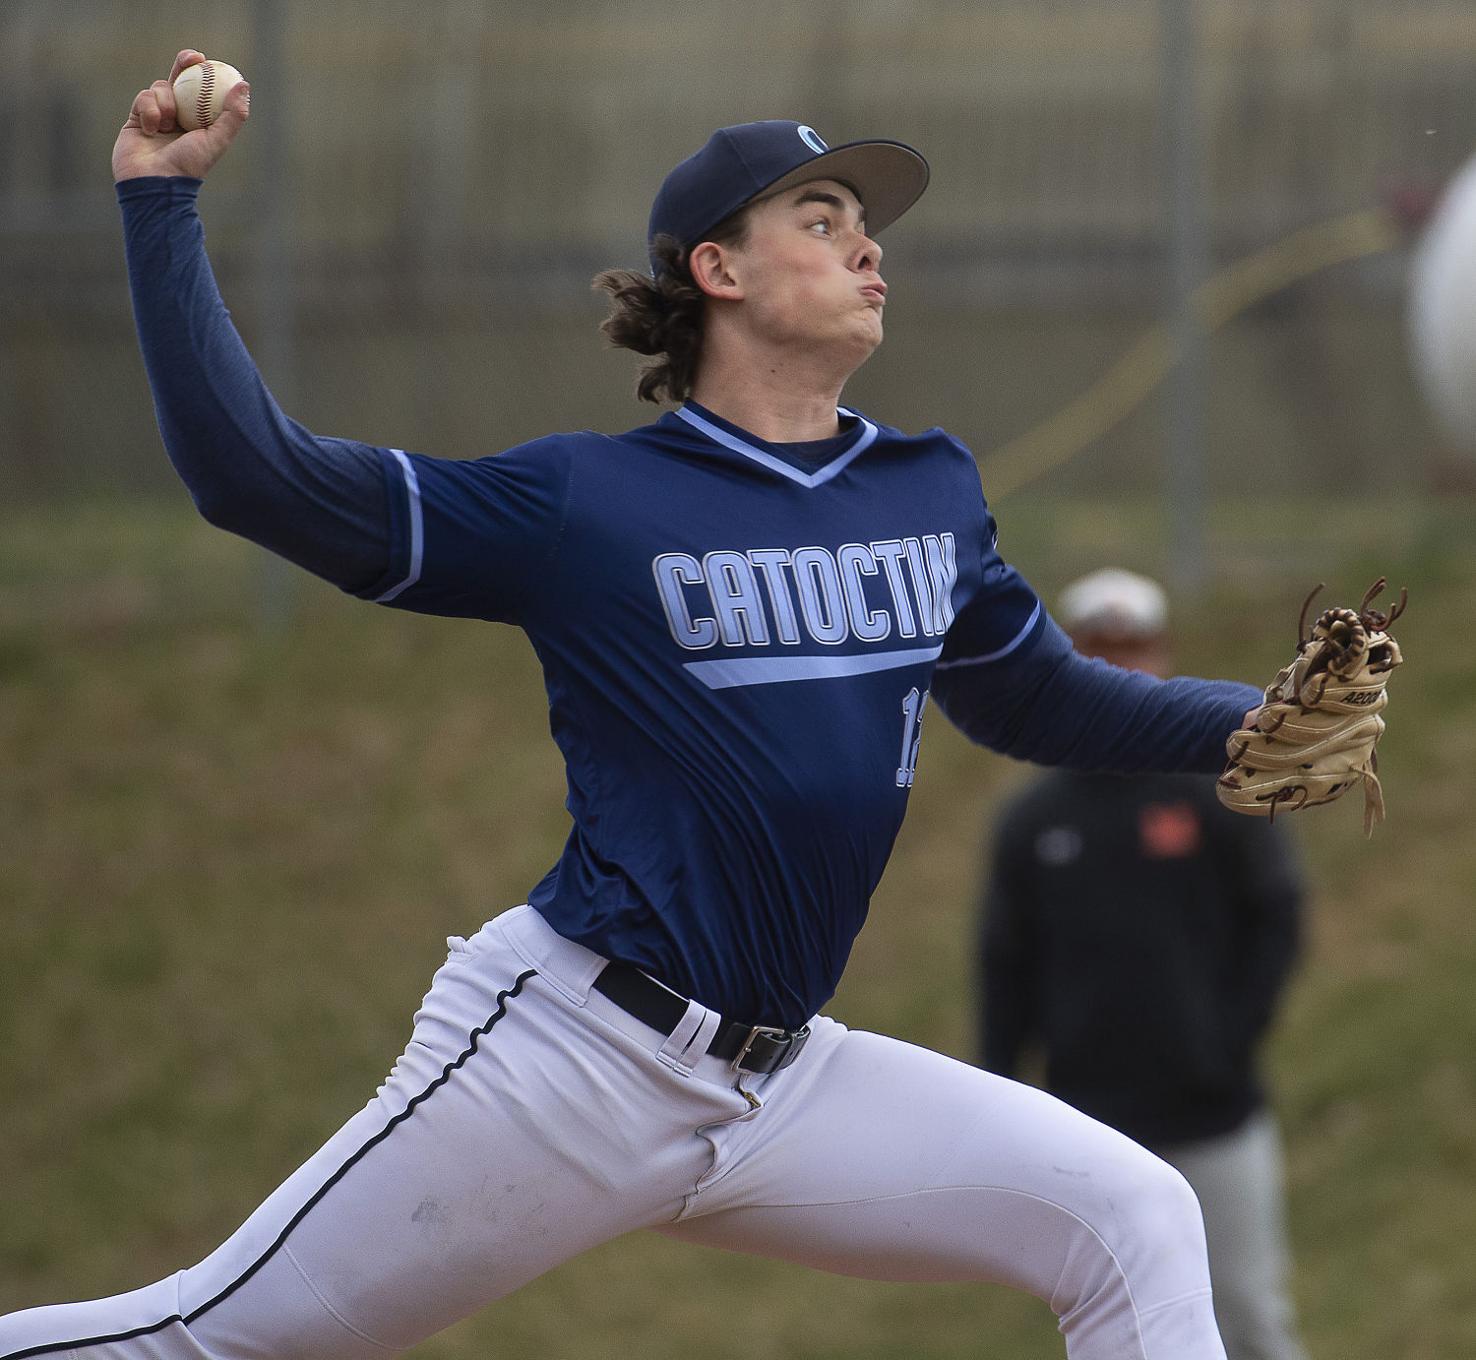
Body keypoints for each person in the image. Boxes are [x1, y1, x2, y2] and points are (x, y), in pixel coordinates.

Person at [1, 49, 1268, 1360]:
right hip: (577, 1060)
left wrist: (1244, 724)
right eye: (820, 221)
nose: (867, 249)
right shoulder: (588, 505)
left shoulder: (927, 490)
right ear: (717, 271)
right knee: (205, 1341)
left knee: (1133, 1213)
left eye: (868, 227)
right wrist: (159, 203)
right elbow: (256, 479)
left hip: (783, 1085)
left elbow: (1033, 699)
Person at [978, 567, 1309, 1360]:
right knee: (1116, 1324)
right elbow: (1003, 962)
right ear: (1071, 663)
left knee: (1247, 1314)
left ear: (1161, 656)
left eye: (1134, 648)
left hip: (1212, 1114)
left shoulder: (1219, 792)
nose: (1121, 667)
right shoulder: (1034, 821)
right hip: (1091, 1120)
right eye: (1099, 650)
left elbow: (1278, 916)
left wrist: (1227, 1040)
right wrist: (998, 1087)